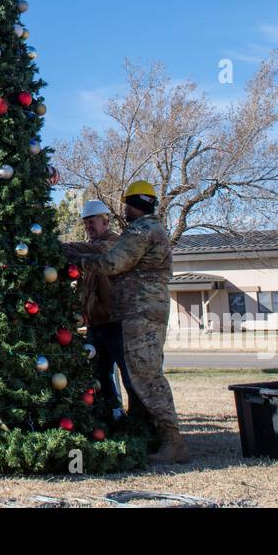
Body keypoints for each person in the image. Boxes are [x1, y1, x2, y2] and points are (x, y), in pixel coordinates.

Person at [64, 181, 190, 464]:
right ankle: (150, 431)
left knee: (146, 376)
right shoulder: (151, 229)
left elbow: (111, 264)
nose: (126, 210)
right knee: (139, 373)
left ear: (134, 203)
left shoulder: (142, 230)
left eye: (127, 205)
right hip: (139, 312)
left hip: (141, 313)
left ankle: (172, 441)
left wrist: (75, 258)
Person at [61, 199, 134, 422]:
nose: (88, 228)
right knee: (99, 374)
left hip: (116, 323)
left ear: (105, 221)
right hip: (96, 324)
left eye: (91, 222)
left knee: (129, 374)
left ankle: (140, 420)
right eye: (85, 224)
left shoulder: (113, 243)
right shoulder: (90, 256)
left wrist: (60, 248)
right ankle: (113, 414)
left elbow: (94, 250)